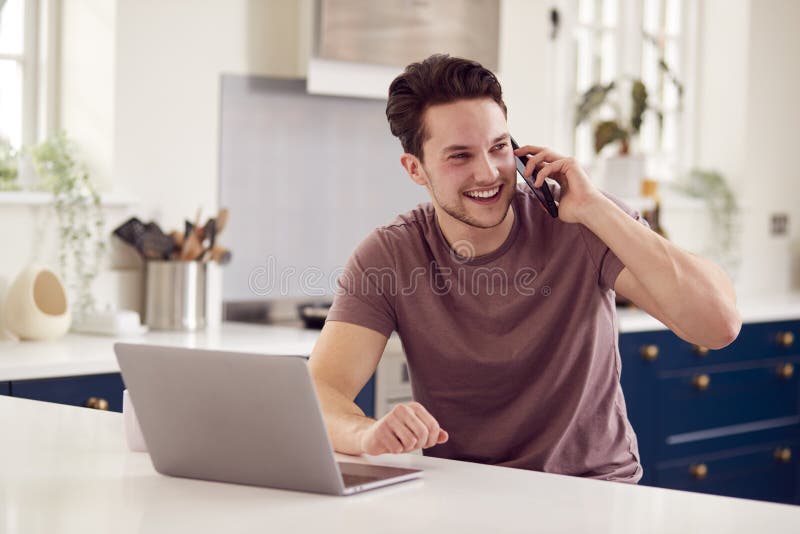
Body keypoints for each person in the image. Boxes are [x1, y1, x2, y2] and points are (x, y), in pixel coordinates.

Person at [308, 54, 740, 482]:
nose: (488, 173)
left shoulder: (580, 221)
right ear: (415, 169)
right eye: (460, 156)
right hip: (468, 492)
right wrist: (365, 434)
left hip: (594, 490)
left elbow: (718, 325)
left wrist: (596, 208)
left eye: (498, 147)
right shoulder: (392, 254)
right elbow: (321, 392)